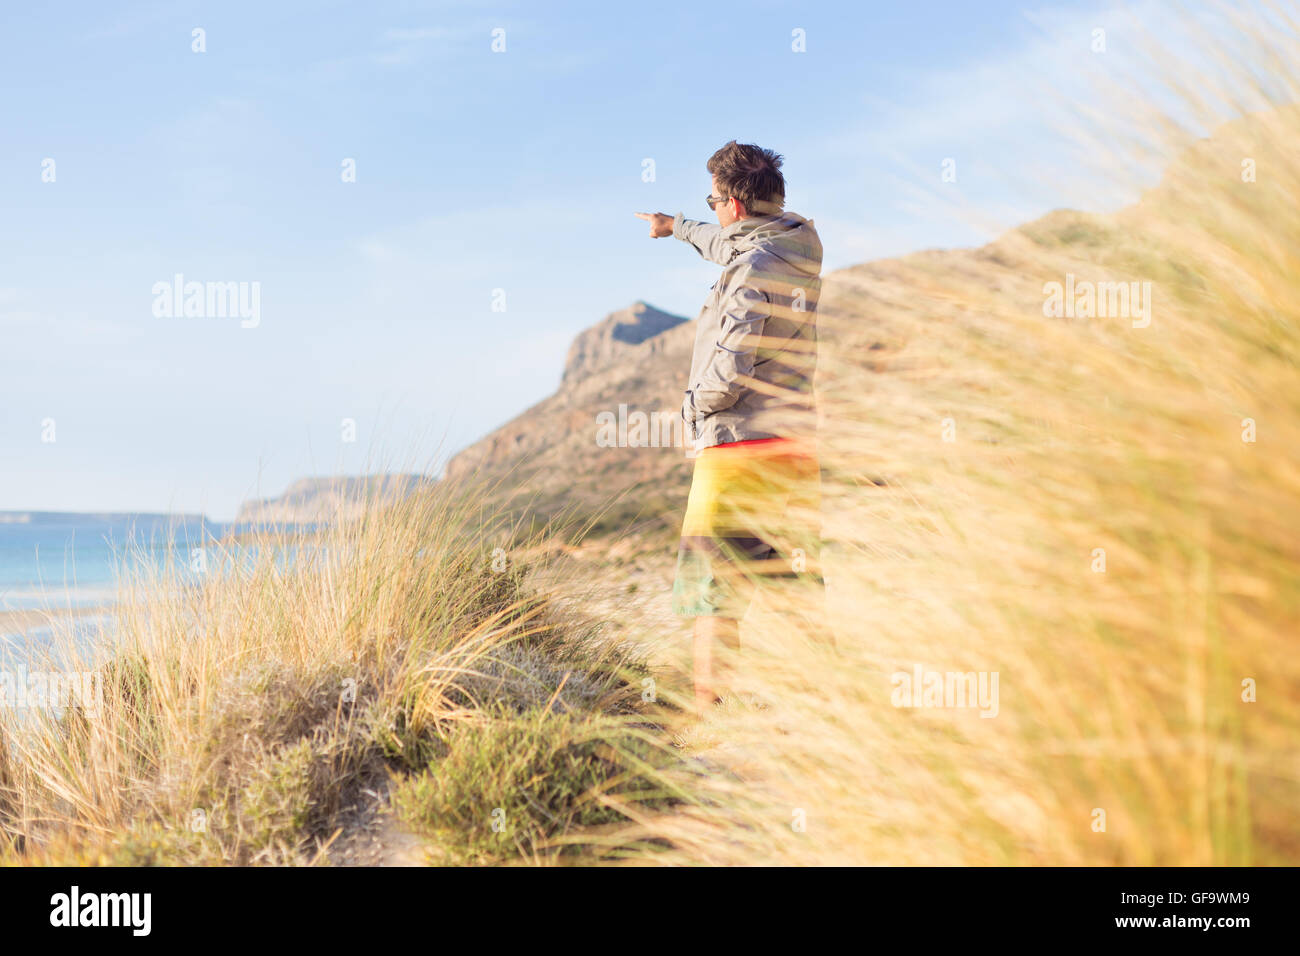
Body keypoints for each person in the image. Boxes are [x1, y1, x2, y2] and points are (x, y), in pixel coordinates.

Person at [636, 140, 824, 714]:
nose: (713, 211)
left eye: (714, 202)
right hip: (795, 449)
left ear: (735, 206)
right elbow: (729, 242)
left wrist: (694, 410)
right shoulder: (801, 245)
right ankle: (831, 713)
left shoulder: (752, 271)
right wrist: (679, 226)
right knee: (796, 588)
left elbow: (733, 360)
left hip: (738, 449)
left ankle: (709, 720)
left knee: (711, 594)